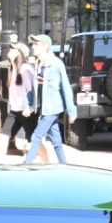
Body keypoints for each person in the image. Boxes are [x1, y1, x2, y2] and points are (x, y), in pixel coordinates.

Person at [24, 34, 72, 165]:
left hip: (52, 109)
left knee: (36, 137)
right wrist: (26, 105)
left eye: (36, 44)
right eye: (32, 44)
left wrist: (72, 112)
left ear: (45, 47)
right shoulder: (38, 64)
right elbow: (33, 91)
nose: (33, 46)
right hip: (45, 109)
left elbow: (66, 88)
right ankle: (64, 166)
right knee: (56, 142)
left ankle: (25, 165)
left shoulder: (56, 64)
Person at [3, 43, 37, 159]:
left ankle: (35, 163)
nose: (9, 51)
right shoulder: (14, 69)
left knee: (33, 140)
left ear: (19, 53)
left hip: (26, 111)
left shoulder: (25, 69)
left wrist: (29, 109)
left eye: (12, 49)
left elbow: (31, 91)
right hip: (15, 110)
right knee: (4, 134)